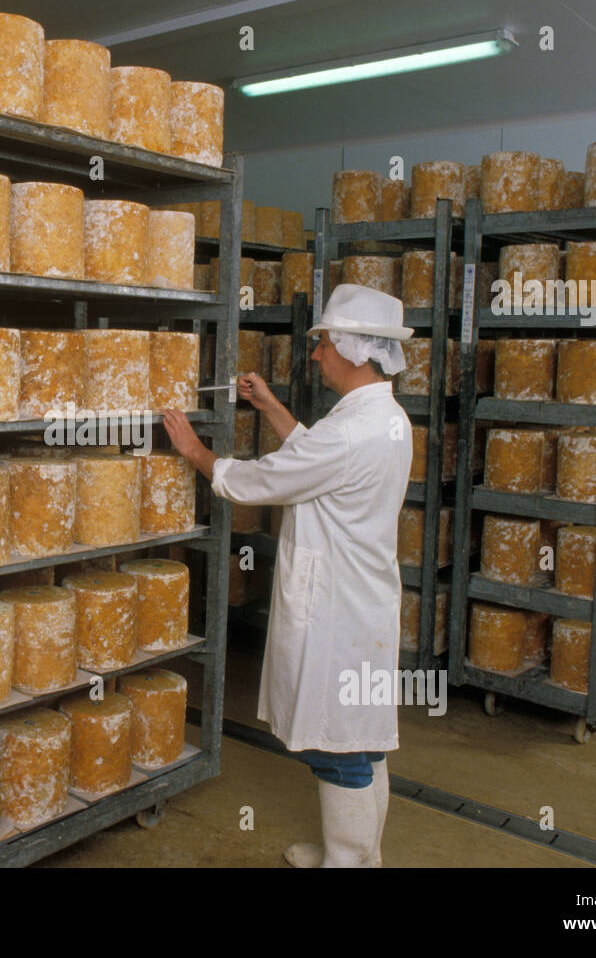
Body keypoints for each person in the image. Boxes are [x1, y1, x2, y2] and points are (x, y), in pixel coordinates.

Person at [163, 282, 414, 868]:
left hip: (338, 614)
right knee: (365, 744)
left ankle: (347, 864)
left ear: (354, 350)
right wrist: (271, 406)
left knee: (340, 749)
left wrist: (196, 451)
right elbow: (318, 461)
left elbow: (265, 479)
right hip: (363, 603)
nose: (316, 355)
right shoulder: (385, 418)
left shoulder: (350, 432)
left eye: (323, 344)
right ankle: (360, 856)